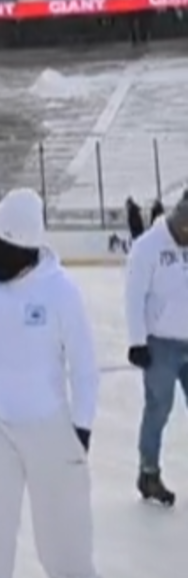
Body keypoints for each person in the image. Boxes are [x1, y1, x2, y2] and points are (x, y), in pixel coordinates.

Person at [0, 188, 100, 578]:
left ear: (23, 249)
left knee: (66, 544)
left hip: (50, 425)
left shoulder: (60, 290)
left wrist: (80, 427)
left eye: (0, 247)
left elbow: (83, 362)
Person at [123, 193, 188, 507]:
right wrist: (137, 342)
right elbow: (134, 296)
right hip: (161, 343)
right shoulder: (147, 246)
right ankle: (148, 472)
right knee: (158, 409)